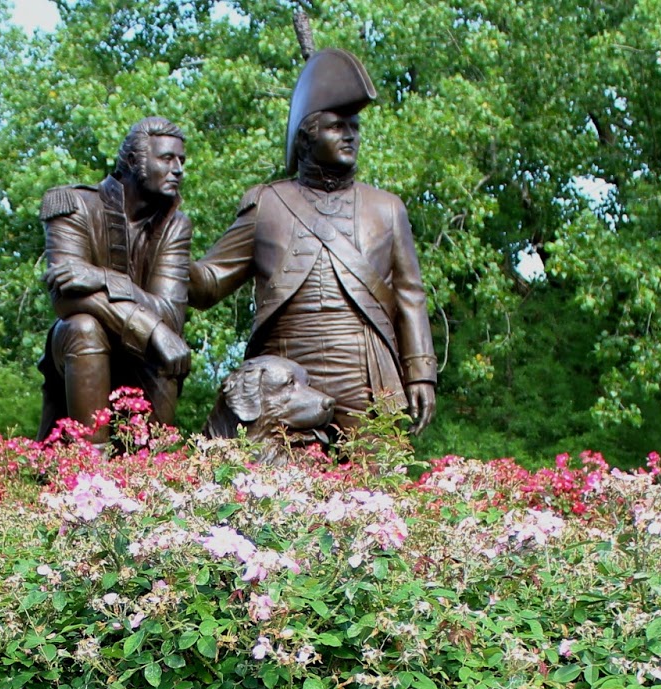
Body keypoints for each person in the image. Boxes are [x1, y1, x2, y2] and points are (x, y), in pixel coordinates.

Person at [188, 48, 436, 434]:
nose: (350, 135)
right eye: (337, 126)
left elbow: (410, 295)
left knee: (379, 486)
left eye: (354, 126)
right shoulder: (266, 203)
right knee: (280, 491)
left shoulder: (387, 208)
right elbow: (208, 283)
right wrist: (165, 242)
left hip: (368, 372)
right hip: (285, 377)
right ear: (305, 137)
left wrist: (421, 372)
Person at [37, 117, 194, 439]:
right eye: (166, 158)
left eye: (181, 161)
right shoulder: (73, 204)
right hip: (77, 353)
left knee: (165, 347)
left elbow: (170, 316)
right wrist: (150, 328)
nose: (177, 169)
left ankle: (153, 471)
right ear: (133, 160)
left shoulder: (176, 225)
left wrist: (100, 277)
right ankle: (92, 469)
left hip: (145, 362)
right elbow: (65, 296)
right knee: (83, 325)